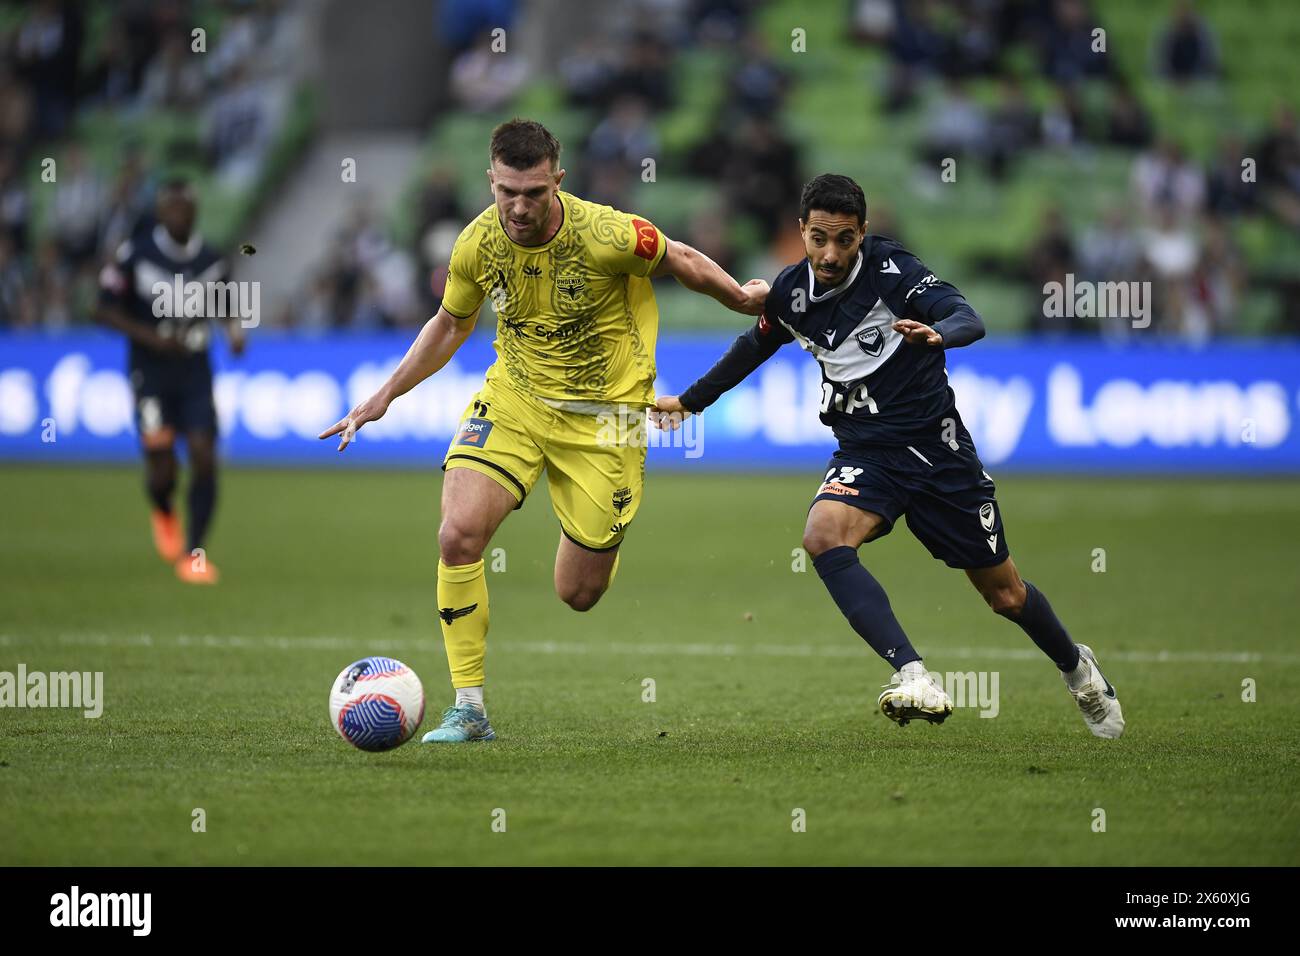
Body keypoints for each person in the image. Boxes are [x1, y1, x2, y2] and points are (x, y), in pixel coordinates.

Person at [319, 119, 768, 742]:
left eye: (533, 192)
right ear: (491, 181)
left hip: (605, 422)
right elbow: (450, 324)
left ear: (558, 180)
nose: (519, 207)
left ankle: (597, 534)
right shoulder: (476, 244)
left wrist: (741, 300)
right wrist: (384, 396)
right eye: (507, 191)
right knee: (457, 535)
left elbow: (682, 259)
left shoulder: (608, 233)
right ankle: (469, 708)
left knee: (578, 593)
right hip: (516, 401)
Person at [652, 173, 1124, 738]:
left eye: (844, 239)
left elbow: (968, 317)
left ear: (863, 233)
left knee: (1005, 595)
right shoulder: (792, 291)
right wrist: (690, 401)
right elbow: (755, 344)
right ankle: (914, 675)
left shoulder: (891, 270)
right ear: (801, 231)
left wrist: (938, 333)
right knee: (823, 535)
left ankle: (1077, 668)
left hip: (938, 455)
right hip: (867, 452)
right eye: (819, 238)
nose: (830, 254)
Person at [98, 179, 245, 585]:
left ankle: (194, 553)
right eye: (172, 208)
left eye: (186, 208)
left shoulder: (211, 258)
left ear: (195, 212)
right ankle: (164, 509)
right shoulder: (135, 253)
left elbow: (227, 305)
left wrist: (234, 332)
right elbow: (102, 310)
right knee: (162, 471)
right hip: (151, 373)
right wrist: (152, 338)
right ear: (161, 212)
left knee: (203, 455)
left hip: (195, 370)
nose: (179, 215)